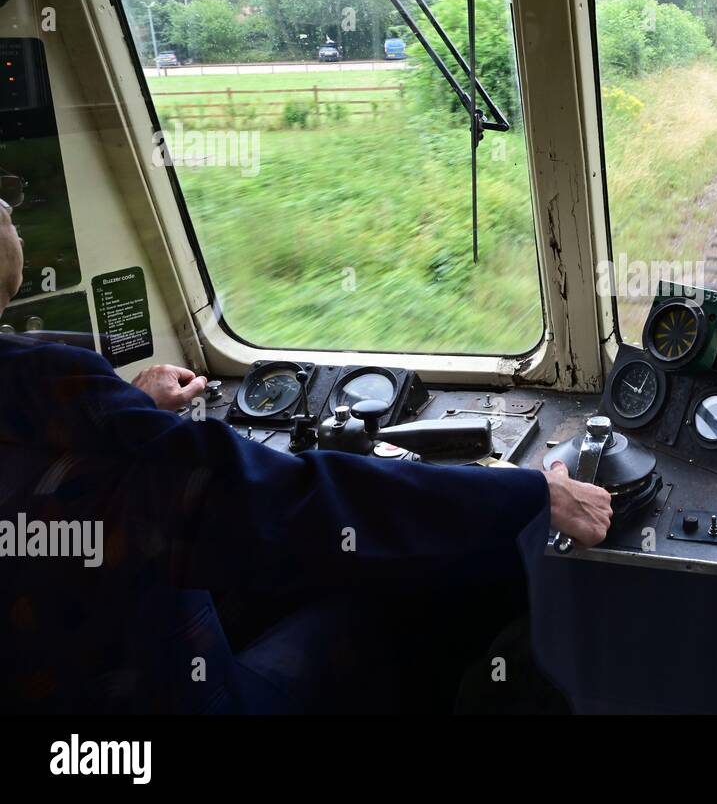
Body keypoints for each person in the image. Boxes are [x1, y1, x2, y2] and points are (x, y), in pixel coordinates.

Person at [0, 193, 612, 712]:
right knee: (399, 599)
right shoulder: (45, 382)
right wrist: (533, 493)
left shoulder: (56, 401)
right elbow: (283, 503)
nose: (9, 205)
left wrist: (124, 413)